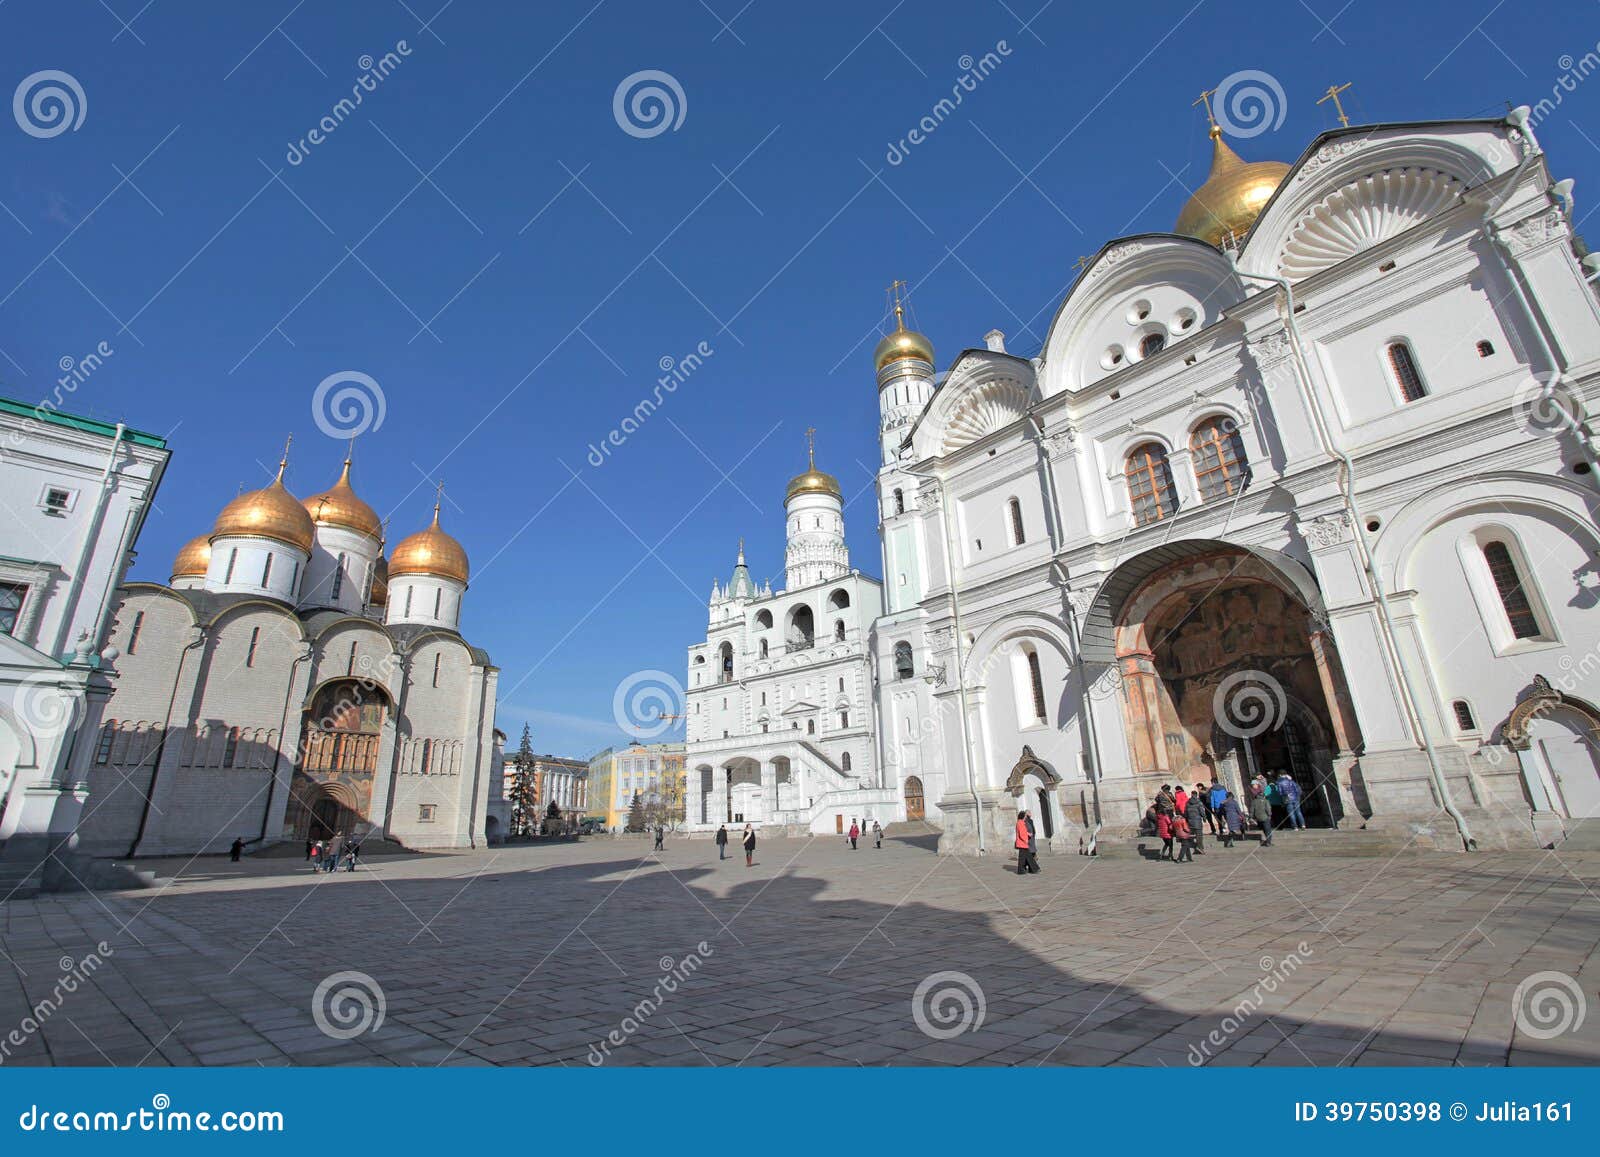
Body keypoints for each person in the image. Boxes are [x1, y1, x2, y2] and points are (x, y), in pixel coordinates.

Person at [1184, 786, 1207, 855]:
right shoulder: (1198, 802)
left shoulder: (1187, 803)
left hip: (1190, 821)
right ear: (1196, 795)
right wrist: (1204, 817)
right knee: (1199, 836)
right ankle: (1200, 848)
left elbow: (1185, 812)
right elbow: (1202, 811)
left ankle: (1193, 848)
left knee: (1191, 836)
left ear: (1191, 795)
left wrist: (1186, 819)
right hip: (1197, 821)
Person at [1014, 810, 1033, 876]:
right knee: (1023, 858)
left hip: (1022, 843)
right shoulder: (1020, 823)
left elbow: (1023, 832)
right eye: (1025, 816)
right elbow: (1022, 834)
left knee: (1027, 857)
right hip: (1022, 843)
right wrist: (1026, 840)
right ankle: (1022, 870)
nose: (1025, 817)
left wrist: (1028, 834)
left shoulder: (1020, 822)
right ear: (1022, 816)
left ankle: (1033, 868)